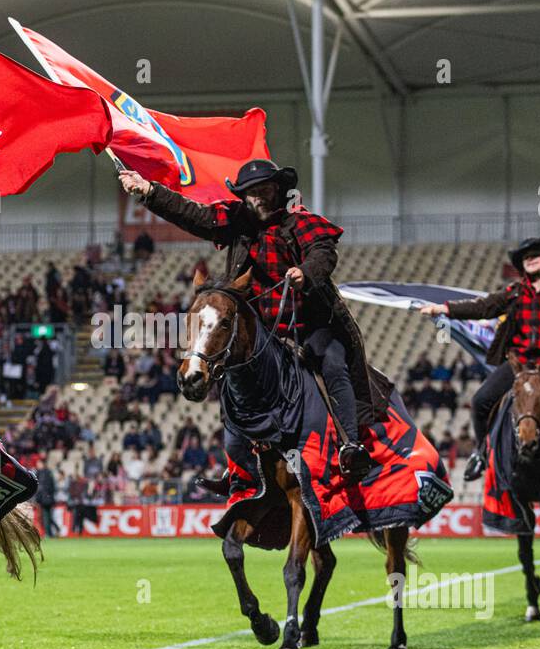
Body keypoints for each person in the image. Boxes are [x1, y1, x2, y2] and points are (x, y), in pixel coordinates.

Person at [119, 157, 389, 486]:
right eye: (250, 192)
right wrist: (149, 191)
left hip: (310, 323)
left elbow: (323, 253)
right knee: (235, 378)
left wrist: (306, 272)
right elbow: (194, 216)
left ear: (277, 190)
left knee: (332, 364)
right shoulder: (237, 220)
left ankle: (351, 445)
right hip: (262, 327)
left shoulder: (301, 222)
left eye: (262, 189)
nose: (257, 197)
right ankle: (237, 466)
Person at [420, 235, 540, 482]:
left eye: (535, 256)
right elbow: (483, 307)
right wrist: (444, 309)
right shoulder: (514, 293)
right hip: (517, 364)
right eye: (525, 258)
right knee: (480, 401)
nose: (529, 260)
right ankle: (480, 453)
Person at [33, 458, 60, 538]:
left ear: (42, 464)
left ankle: (48, 534)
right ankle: (53, 531)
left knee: (45, 517)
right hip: (44, 498)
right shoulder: (40, 473)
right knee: (48, 516)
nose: (37, 465)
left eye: (39, 463)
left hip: (46, 499)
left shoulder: (47, 473)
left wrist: (47, 496)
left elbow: (49, 487)